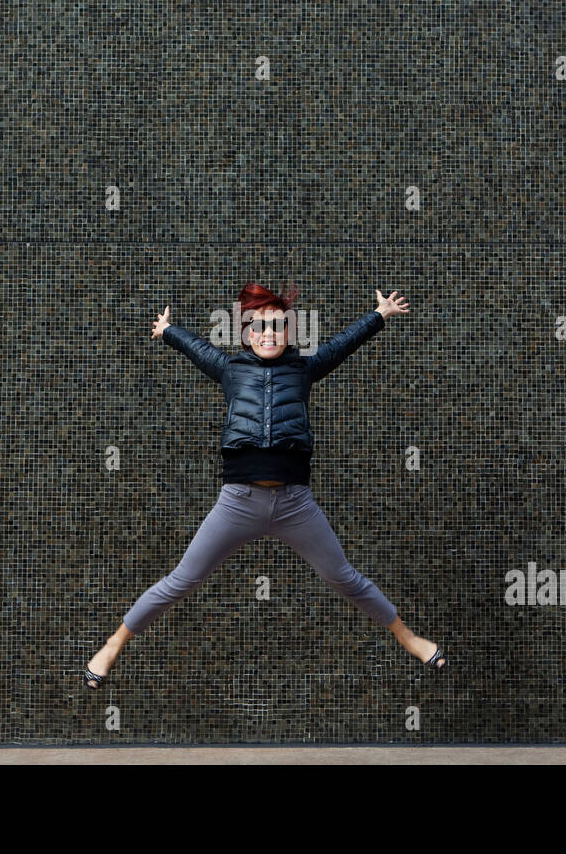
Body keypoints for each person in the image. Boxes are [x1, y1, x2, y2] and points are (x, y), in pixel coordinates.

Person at [84, 282, 446, 689]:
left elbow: (342, 345)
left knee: (343, 577)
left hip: (295, 504)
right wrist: (168, 330)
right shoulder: (231, 370)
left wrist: (379, 315)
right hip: (238, 502)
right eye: (259, 327)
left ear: (289, 332)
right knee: (182, 580)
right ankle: (114, 644)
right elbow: (198, 350)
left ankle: (408, 637)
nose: (268, 333)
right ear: (247, 334)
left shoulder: (303, 370)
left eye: (277, 325)